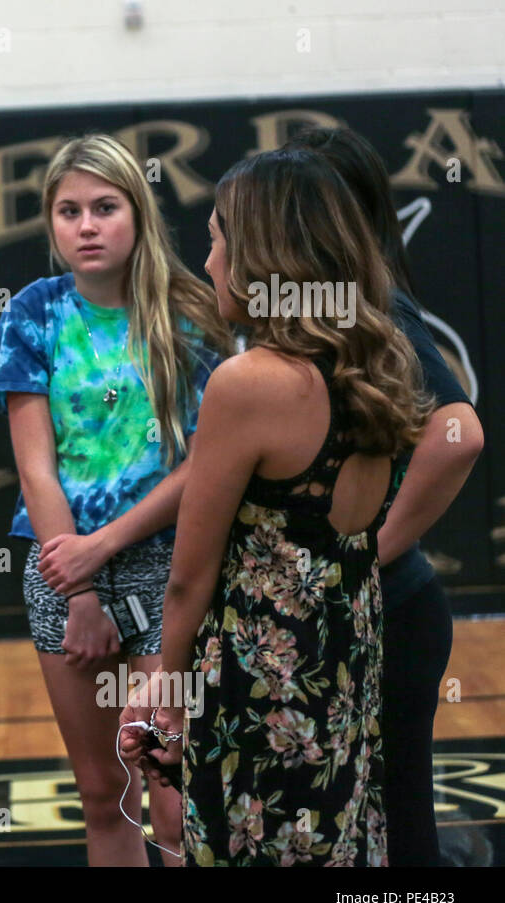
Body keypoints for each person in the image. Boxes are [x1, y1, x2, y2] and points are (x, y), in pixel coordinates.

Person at [122, 147, 432, 866]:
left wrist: (165, 704)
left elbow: (187, 578)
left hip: (262, 692)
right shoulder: (383, 361)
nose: (208, 263)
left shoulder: (249, 384)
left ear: (265, 256)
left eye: (217, 241)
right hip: (347, 668)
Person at [0, 133, 232, 865]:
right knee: (102, 791)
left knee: (163, 777)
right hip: (66, 574)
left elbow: (202, 463)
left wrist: (107, 545)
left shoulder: (191, 309)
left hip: (167, 564)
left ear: (138, 214)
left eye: (104, 207)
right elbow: (35, 466)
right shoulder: (33, 312)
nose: (86, 226)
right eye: (69, 212)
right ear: (51, 225)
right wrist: (83, 587)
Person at [289, 125, 483, 866]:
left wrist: (371, 551)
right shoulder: (320, 312)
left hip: (391, 609)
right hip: (351, 615)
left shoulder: (375, 309)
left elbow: (459, 432)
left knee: (399, 827)